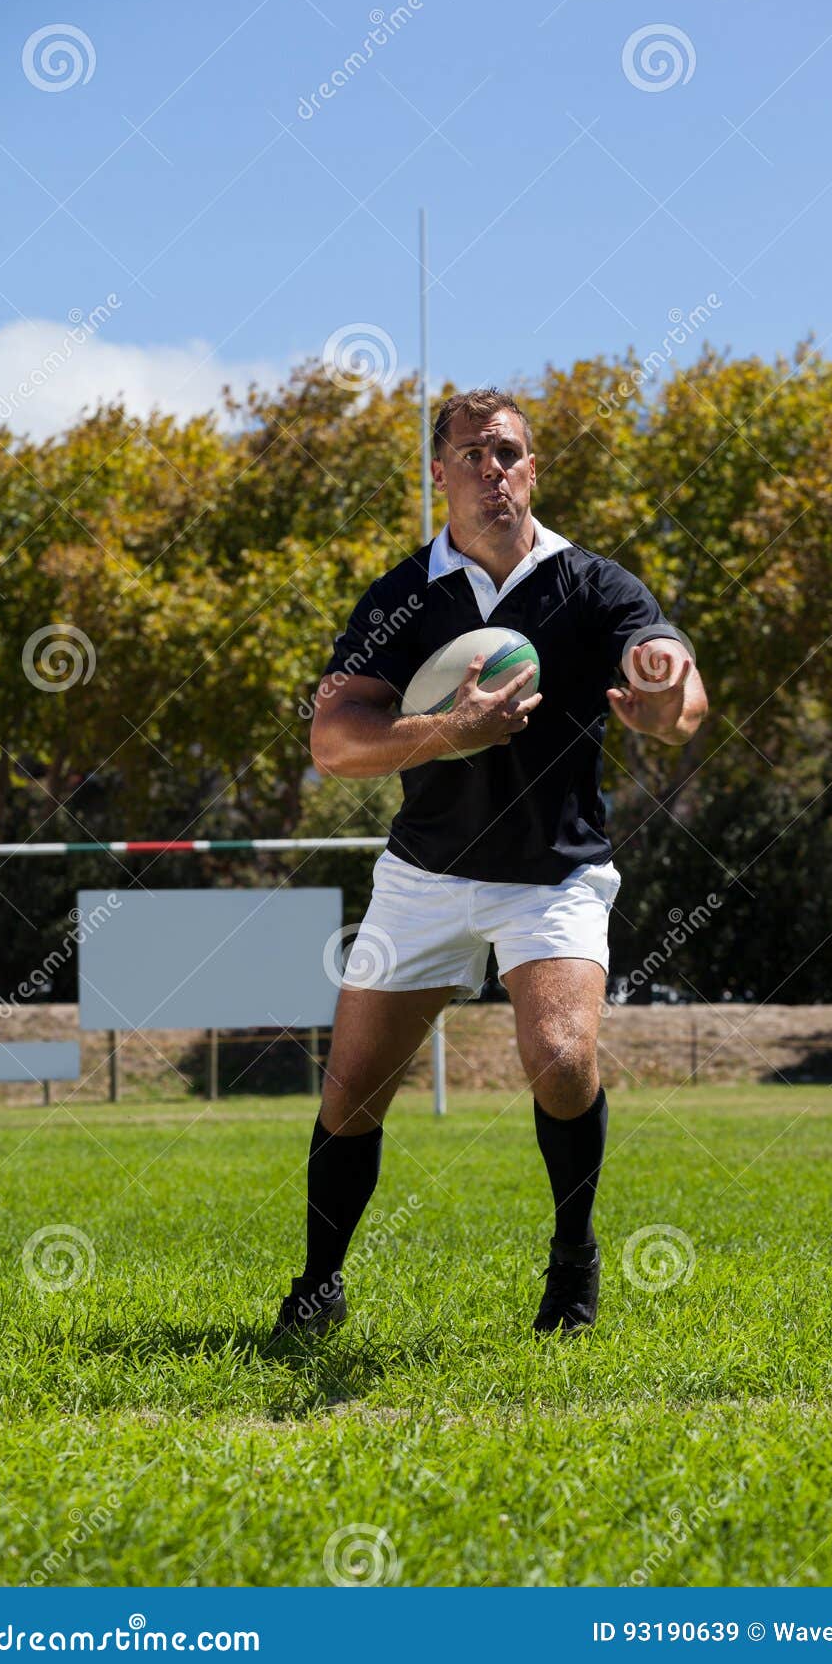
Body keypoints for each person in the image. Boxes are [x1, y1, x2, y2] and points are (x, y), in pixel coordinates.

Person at [271, 387, 707, 1342]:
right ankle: (317, 1282)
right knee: (350, 1091)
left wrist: (663, 701)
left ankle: (573, 1258)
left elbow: (677, 683)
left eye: (508, 452)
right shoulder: (399, 597)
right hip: (424, 875)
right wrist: (446, 731)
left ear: (533, 468)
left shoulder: (592, 586)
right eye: (471, 454)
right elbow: (336, 742)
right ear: (439, 474)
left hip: (551, 875)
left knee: (560, 1058)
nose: (491, 469)